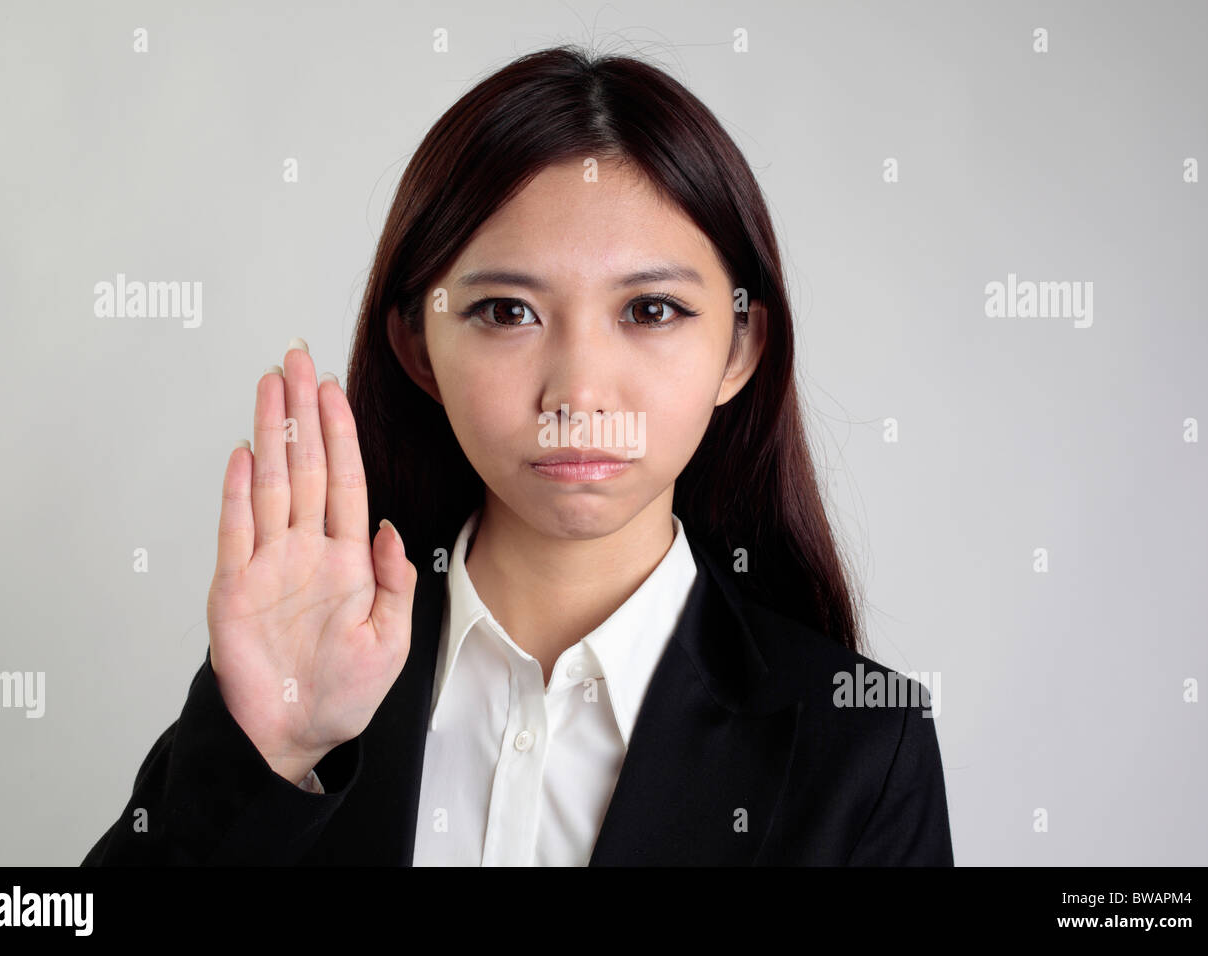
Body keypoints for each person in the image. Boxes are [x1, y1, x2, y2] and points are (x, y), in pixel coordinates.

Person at [82, 45, 953, 866]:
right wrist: (269, 748)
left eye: (651, 311)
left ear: (739, 348)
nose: (578, 394)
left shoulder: (864, 751)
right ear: (419, 345)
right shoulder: (315, 677)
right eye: (507, 311)